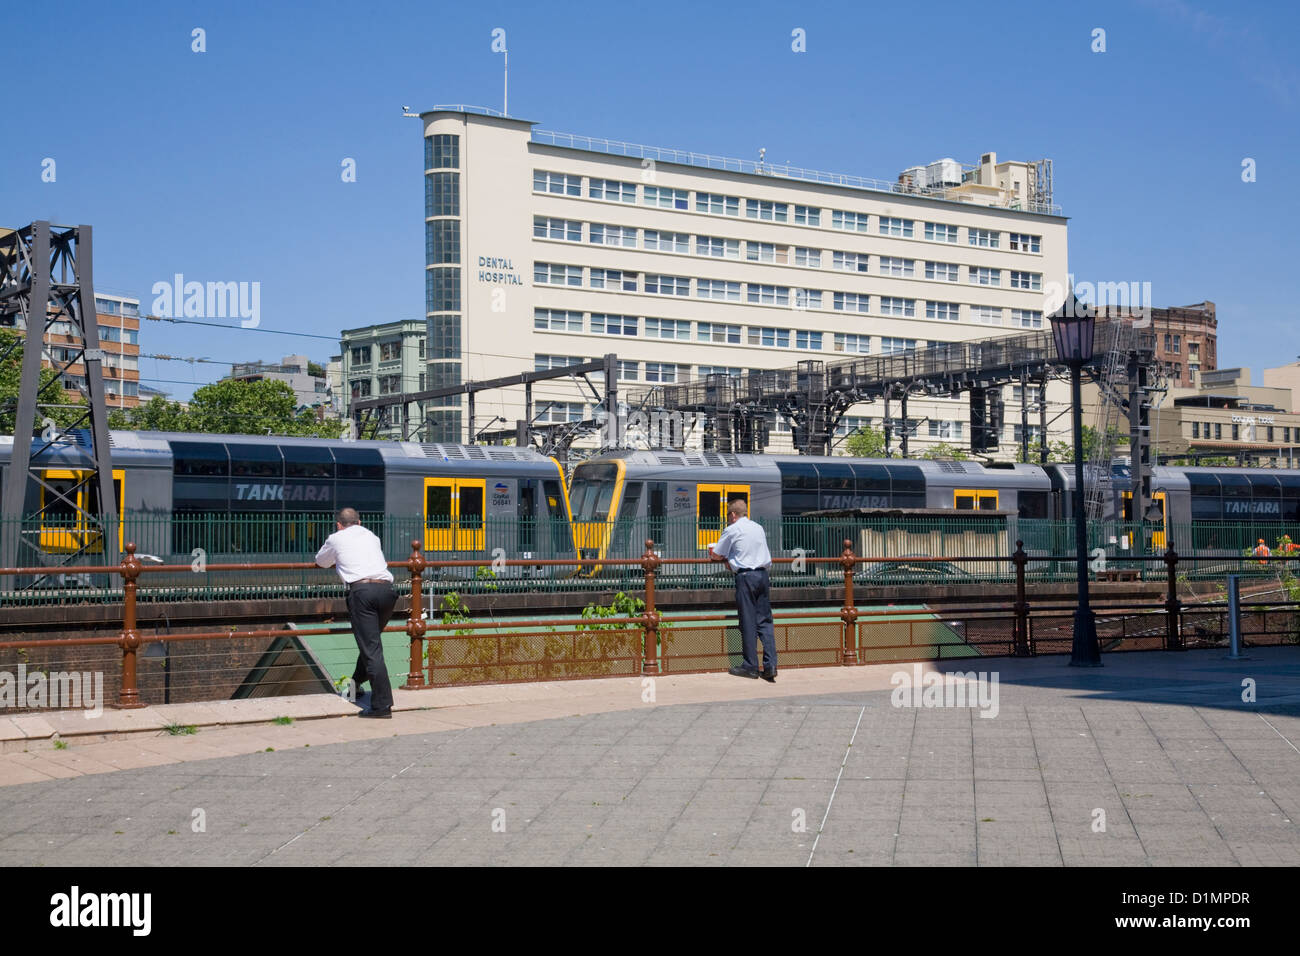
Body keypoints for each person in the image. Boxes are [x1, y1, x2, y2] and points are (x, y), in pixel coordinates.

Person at [315, 508, 398, 718]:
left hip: (362, 592)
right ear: (359, 522)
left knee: (371, 649)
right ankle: (354, 689)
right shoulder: (372, 536)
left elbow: (321, 561)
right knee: (370, 643)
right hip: (387, 591)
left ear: (339, 524)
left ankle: (382, 706)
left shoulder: (336, 538)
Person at [708, 498, 777, 682]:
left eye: (728, 516)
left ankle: (750, 666)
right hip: (763, 576)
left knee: (747, 621)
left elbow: (716, 554)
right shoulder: (758, 527)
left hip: (746, 578)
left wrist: (714, 552)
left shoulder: (732, 529)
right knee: (765, 621)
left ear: (732, 515)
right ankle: (770, 665)